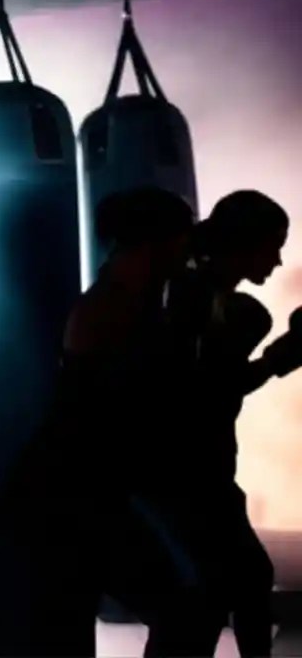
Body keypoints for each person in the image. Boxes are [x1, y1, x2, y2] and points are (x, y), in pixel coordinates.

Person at [4, 187, 198, 657]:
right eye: (183, 238)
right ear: (159, 242)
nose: (189, 249)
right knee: (173, 611)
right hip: (65, 497)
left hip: (78, 495)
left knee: (176, 611)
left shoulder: (135, 302)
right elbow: (138, 409)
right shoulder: (113, 308)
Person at [152, 190, 299, 657]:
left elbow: (216, 389)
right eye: (273, 245)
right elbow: (204, 392)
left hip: (204, 472)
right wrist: (280, 356)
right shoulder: (192, 296)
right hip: (182, 476)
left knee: (244, 582)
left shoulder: (208, 296)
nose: (278, 260)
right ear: (244, 241)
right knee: (210, 597)